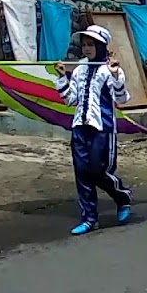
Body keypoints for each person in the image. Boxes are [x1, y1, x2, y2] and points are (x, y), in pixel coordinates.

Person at [53, 25, 133, 236]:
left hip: (102, 128)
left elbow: (122, 98)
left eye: (91, 44)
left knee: (98, 171)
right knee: (82, 173)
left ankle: (122, 197)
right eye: (85, 45)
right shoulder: (79, 69)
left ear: (101, 46)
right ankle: (89, 218)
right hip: (80, 127)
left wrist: (115, 75)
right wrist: (62, 78)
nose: (87, 48)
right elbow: (71, 99)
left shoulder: (111, 69)